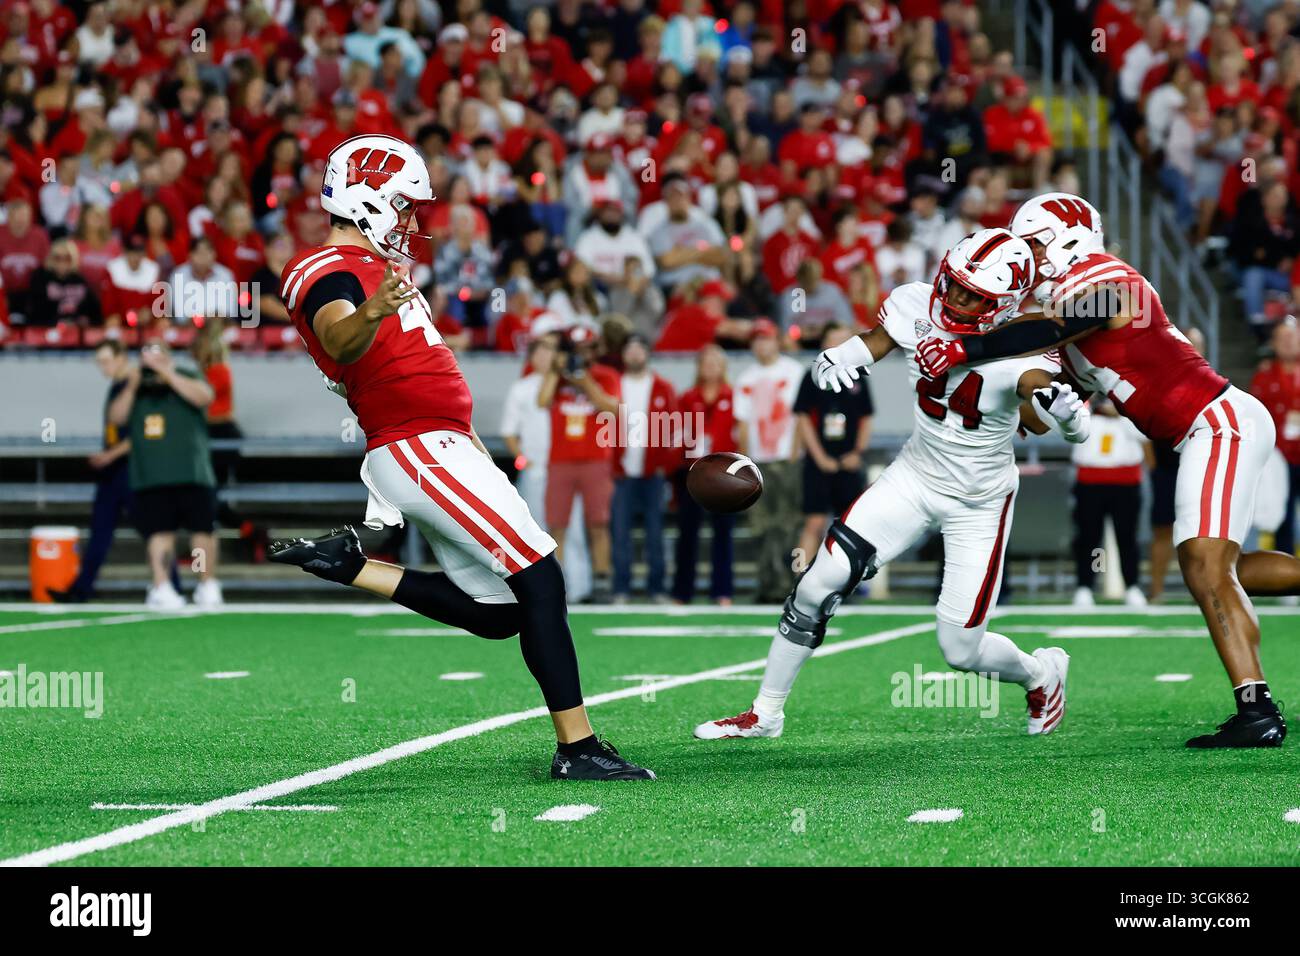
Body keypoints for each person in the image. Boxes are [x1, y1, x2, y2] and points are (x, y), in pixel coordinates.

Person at [268, 135, 652, 780]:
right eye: (407, 206)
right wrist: (373, 309)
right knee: (541, 575)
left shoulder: (378, 272)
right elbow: (339, 331)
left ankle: (351, 565)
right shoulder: (327, 268)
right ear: (372, 200)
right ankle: (577, 747)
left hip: (439, 442)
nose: (414, 221)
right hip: (417, 445)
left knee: (499, 611)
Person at [914, 192, 1300, 747]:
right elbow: (1043, 410)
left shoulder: (1102, 277)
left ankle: (1258, 712)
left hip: (1218, 421)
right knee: (1220, 568)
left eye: (1034, 244)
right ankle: (1255, 705)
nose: (1027, 260)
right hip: (1201, 431)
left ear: (1069, 239)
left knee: (1203, 563)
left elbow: (1056, 328)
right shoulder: (1062, 319)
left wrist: (964, 348)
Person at [696, 229, 1091, 741]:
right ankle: (764, 713)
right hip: (914, 475)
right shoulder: (916, 303)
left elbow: (1037, 407)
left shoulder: (1025, 353)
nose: (954, 298)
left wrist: (1068, 417)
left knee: (960, 649)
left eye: (973, 296)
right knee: (816, 584)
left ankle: (1041, 675)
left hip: (979, 501)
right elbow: (880, 341)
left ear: (1005, 305)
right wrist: (841, 355)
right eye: (952, 283)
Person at [108, 340, 223, 610]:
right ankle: (161, 586)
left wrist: (168, 373)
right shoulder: (136, 387)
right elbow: (116, 417)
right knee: (159, 533)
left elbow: (204, 397)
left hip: (192, 472)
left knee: (202, 531)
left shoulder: (186, 375)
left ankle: (207, 584)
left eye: (157, 358)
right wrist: (134, 384)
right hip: (152, 475)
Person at [499, 336, 592, 601]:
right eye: (542, 351)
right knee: (535, 529)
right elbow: (509, 432)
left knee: (572, 527)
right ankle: (541, 589)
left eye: (552, 351)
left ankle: (578, 587)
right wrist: (523, 460)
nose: (547, 356)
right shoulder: (522, 388)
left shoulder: (569, 386)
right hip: (537, 468)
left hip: (566, 467)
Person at [537, 325, 621, 601]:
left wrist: (585, 382)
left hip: (596, 459)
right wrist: (554, 371)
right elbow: (542, 400)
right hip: (561, 460)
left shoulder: (605, 376)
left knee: (598, 523)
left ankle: (602, 582)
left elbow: (613, 408)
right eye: (576, 350)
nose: (581, 355)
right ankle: (554, 584)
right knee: (556, 524)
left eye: (586, 349)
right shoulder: (557, 378)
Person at [48, 341, 134, 602]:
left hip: (132, 471)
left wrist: (110, 455)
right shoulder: (117, 386)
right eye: (99, 362)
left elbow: (142, 433)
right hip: (111, 471)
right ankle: (81, 589)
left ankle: (172, 586)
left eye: (106, 361)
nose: (102, 367)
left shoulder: (134, 386)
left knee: (152, 530)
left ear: (121, 358)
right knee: (100, 531)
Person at [732, 319, 805, 603]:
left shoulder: (794, 371)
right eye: (757, 339)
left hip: (787, 458)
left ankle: (787, 584)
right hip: (759, 461)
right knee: (761, 525)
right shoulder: (746, 378)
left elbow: (800, 417)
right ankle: (765, 583)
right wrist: (744, 462)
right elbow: (743, 424)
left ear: (777, 340)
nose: (762, 344)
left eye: (766, 338)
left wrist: (795, 451)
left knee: (788, 523)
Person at [794, 323, 874, 569]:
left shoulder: (858, 375)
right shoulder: (812, 376)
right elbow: (803, 418)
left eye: (844, 340)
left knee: (849, 524)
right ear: (823, 344)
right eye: (834, 339)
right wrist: (819, 456)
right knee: (814, 523)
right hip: (819, 461)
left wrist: (857, 453)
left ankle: (846, 580)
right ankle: (801, 580)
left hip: (848, 460)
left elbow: (866, 418)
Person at [610, 334, 677, 602]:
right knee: (620, 531)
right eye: (630, 349)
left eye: (640, 348)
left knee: (655, 532)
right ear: (624, 354)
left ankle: (657, 587)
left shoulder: (662, 387)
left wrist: (664, 466)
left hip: (653, 473)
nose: (635, 354)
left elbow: (675, 429)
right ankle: (621, 587)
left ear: (648, 353)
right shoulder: (614, 385)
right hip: (621, 472)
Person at [1070, 398, 1151, 608]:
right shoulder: (1084, 407)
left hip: (1125, 482)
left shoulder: (1130, 407)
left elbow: (1144, 434)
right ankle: (1085, 586)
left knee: (1127, 537)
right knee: (1088, 538)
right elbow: (1071, 433)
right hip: (1089, 481)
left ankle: (1132, 586)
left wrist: (1121, 414)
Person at [672, 344, 737, 604]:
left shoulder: (732, 395)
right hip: (694, 472)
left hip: (724, 474)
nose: (710, 366)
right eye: (705, 362)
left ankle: (722, 591)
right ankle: (682, 591)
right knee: (687, 532)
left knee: (723, 533)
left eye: (715, 362)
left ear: (723, 367)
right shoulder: (687, 397)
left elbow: (739, 432)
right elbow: (676, 432)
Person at [1250, 319, 1300, 555]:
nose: (1288, 343)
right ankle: (1285, 581)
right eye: (1283, 338)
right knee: (1283, 515)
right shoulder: (1265, 375)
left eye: (1292, 336)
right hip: (1279, 457)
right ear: (1274, 342)